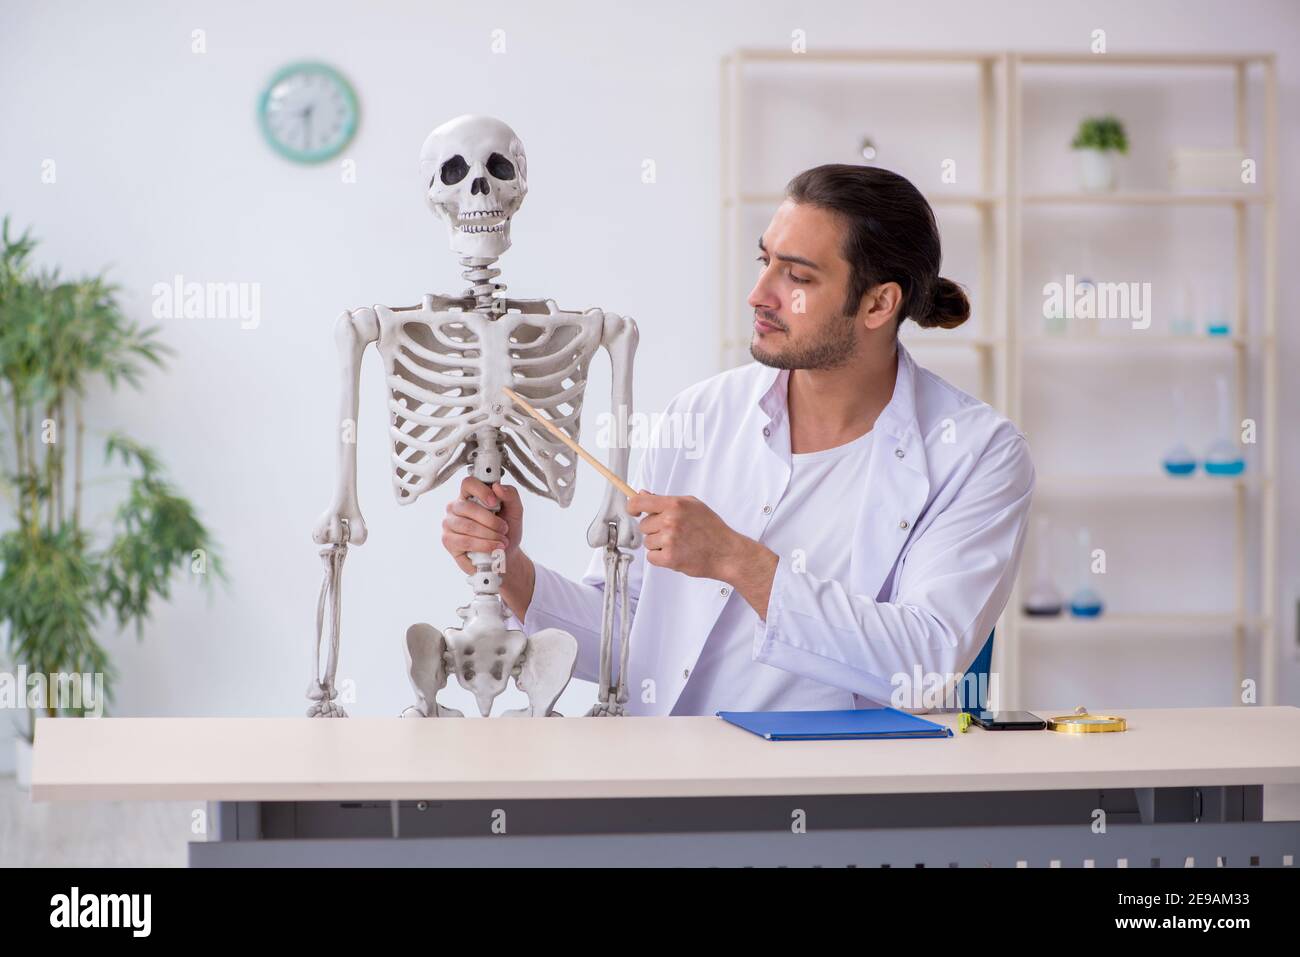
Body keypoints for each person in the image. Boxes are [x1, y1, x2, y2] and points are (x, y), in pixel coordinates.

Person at [440, 164, 1035, 715]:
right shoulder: (700, 415)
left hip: (828, 792)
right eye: (765, 261)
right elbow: (631, 633)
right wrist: (512, 569)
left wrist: (735, 560)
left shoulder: (975, 453)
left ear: (879, 302)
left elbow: (925, 665)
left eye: (797, 276)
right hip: (666, 778)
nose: (760, 294)